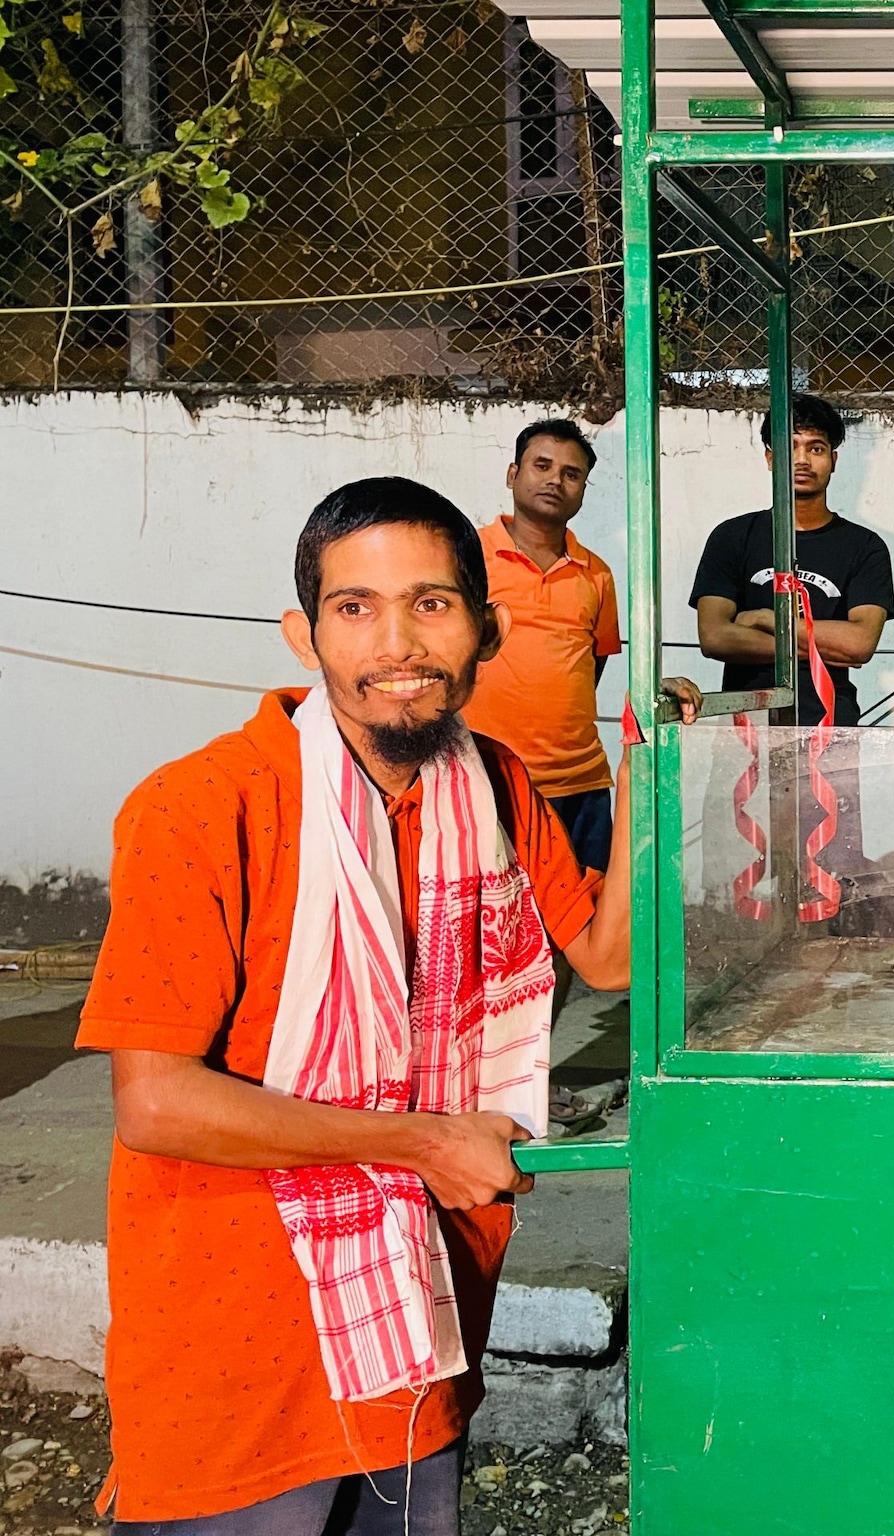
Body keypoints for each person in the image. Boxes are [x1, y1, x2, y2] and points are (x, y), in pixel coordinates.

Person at [72, 479, 677, 1532]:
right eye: (355, 607)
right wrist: (427, 1143)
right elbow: (158, 1105)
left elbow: (610, 955)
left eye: (432, 604)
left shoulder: (493, 783)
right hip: (241, 1342)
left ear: (486, 630)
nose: (398, 644)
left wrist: (644, 776)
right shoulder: (201, 807)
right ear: (303, 635)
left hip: (422, 1315)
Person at [690, 393, 894, 881]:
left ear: (834, 460)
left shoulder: (864, 548)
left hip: (829, 730)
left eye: (816, 448)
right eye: (789, 448)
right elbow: (715, 637)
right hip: (747, 728)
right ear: (769, 458)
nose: (802, 459)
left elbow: (860, 645)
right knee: (744, 864)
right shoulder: (733, 538)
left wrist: (765, 619)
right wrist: (820, 642)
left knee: (830, 867)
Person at [463, 418, 623, 872]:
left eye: (571, 474)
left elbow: (592, 666)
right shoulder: (467, 558)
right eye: (542, 466)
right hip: (486, 777)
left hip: (581, 783)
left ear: (583, 490)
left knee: (585, 908)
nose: (555, 480)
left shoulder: (596, 574)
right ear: (513, 475)